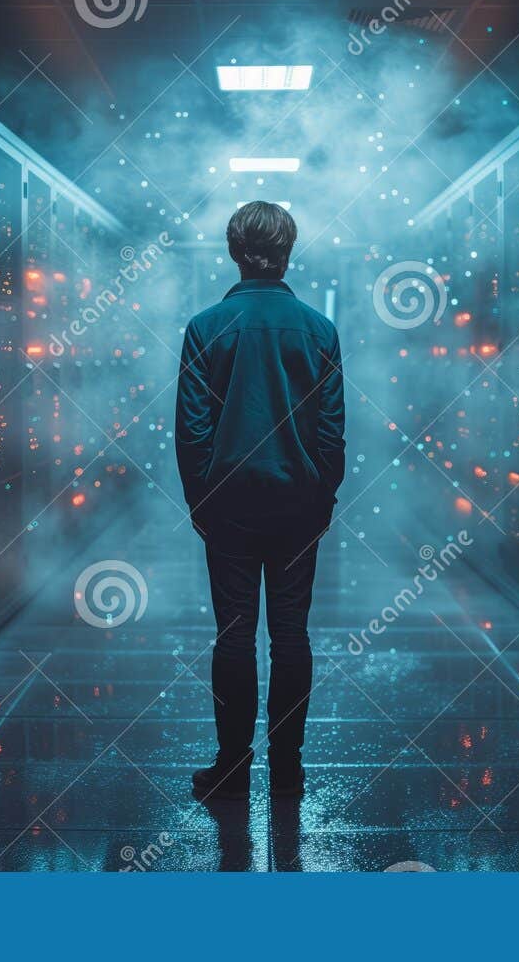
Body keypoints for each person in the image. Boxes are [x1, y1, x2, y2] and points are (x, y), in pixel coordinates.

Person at [175, 201, 346, 800]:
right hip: (298, 503)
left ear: (233, 252)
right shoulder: (319, 330)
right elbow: (331, 432)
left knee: (235, 635)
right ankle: (287, 769)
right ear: (288, 252)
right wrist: (322, 499)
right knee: (292, 634)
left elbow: (192, 430)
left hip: (229, 505)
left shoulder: (206, 327)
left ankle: (231, 768)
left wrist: (201, 503)